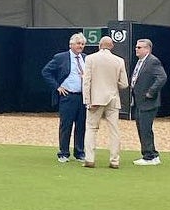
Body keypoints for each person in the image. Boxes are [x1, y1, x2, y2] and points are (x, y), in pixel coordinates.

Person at [81, 35, 129, 169]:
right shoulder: (119, 60)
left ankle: (89, 159)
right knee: (114, 131)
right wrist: (113, 85)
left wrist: (87, 100)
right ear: (112, 46)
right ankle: (114, 160)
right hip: (113, 99)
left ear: (99, 45)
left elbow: (86, 81)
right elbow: (124, 84)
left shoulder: (90, 59)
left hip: (95, 99)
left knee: (91, 129)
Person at [41, 33, 88, 163]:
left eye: (82, 44)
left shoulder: (86, 58)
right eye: (78, 43)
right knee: (66, 125)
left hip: (83, 97)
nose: (80, 46)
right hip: (68, 96)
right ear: (71, 44)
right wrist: (57, 87)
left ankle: (79, 152)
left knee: (81, 125)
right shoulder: (61, 58)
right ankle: (63, 153)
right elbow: (46, 72)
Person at [130, 38, 167, 166]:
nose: (136, 49)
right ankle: (151, 154)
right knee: (142, 128)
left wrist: (151, 92)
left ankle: (149, 156)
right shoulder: (141, 62)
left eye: (139, 47)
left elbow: (162, 77)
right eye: (136, 47)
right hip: (139, 101)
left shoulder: (152, 61)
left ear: (147, 49)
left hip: (148, 102)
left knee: (145, 129)